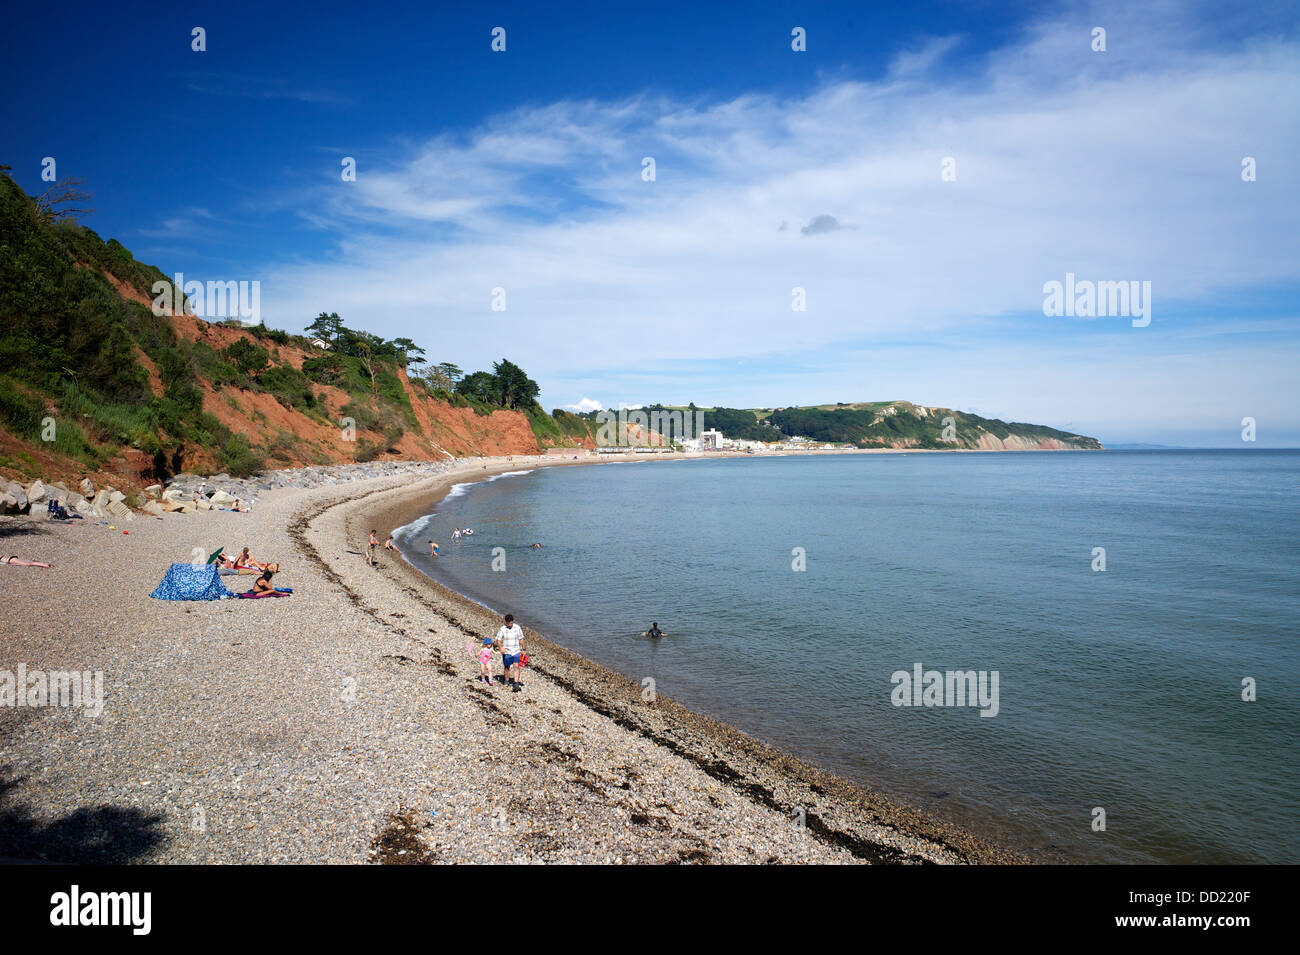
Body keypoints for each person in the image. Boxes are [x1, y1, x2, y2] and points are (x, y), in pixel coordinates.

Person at [495, 613, 525, 692]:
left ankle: (516, 683)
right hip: (507, 651)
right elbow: (498, 640)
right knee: (507, 667)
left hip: (516, 651)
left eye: (511, 623)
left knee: (516, 666)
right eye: (508, 623)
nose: (510, 624)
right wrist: (501, 648)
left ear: (513, 621)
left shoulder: (517, 628)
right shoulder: (502, 629)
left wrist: (524, 649)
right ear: (506, 622)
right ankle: (507, 680)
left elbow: (521, 639)